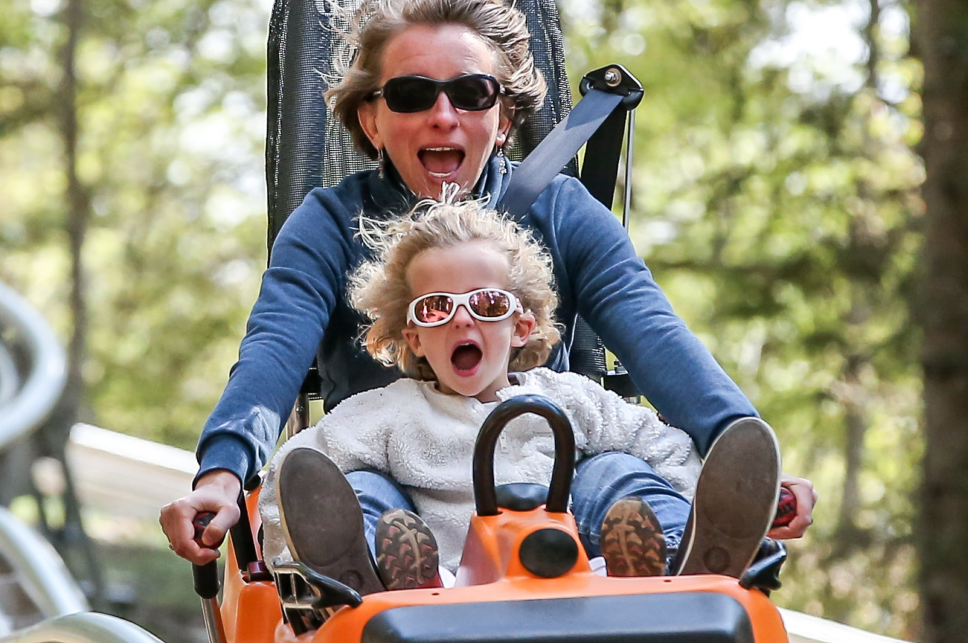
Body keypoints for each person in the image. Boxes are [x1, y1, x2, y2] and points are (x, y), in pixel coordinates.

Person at [160, 0, 814, 588]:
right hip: (401, 493)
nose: (443, 115)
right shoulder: (332, 224)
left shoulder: (562, 211)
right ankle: (361, 584)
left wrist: (750, 465)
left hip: (549, 496)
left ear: (502, 119)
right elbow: (273, 352)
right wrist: (221, 476)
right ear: (371, 120)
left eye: (470, 94)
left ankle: (677, 561)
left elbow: (656, 337)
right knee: (356, 494)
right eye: (414, 95)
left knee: (620, 474)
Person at [277, 200, 717, 587]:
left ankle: (684, 553)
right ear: (414, 338)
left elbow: (665, 448)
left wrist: (700, 505)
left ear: (521, 327)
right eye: (436, 308)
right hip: (443, 592)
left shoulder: (570, 397)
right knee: (362, 491)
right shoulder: (390, 413)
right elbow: (295, 476)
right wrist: (280, 552)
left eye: (487, 305)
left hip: (585, 576)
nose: (462, 321)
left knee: (618, 471)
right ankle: (367, 577)